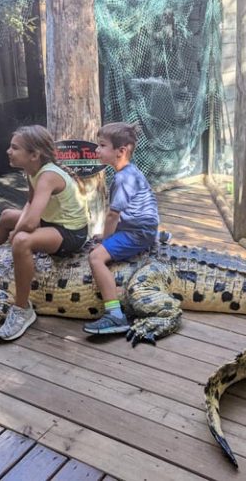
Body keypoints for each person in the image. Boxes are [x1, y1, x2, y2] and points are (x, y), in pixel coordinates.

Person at [0, 125, 89, 341]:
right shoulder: (32, 172)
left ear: (34, 155)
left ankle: (22, 309)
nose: (8, 151)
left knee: (22, 241)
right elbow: (30, 204)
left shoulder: (48, 176)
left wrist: (17, 234)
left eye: (15, 148)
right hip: (51, 222)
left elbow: (32, 221)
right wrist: (15, 228)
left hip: (71, 233)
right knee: (7, 215)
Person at [83, 122, 159, 335]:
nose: (97, 150)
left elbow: (113, 215)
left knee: (96, 257)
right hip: (141, 228)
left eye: (101, 145)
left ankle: (115, 315)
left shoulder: (123, 178)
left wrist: (104, 241)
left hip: (138, 233)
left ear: (121, 151)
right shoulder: (131, 171)